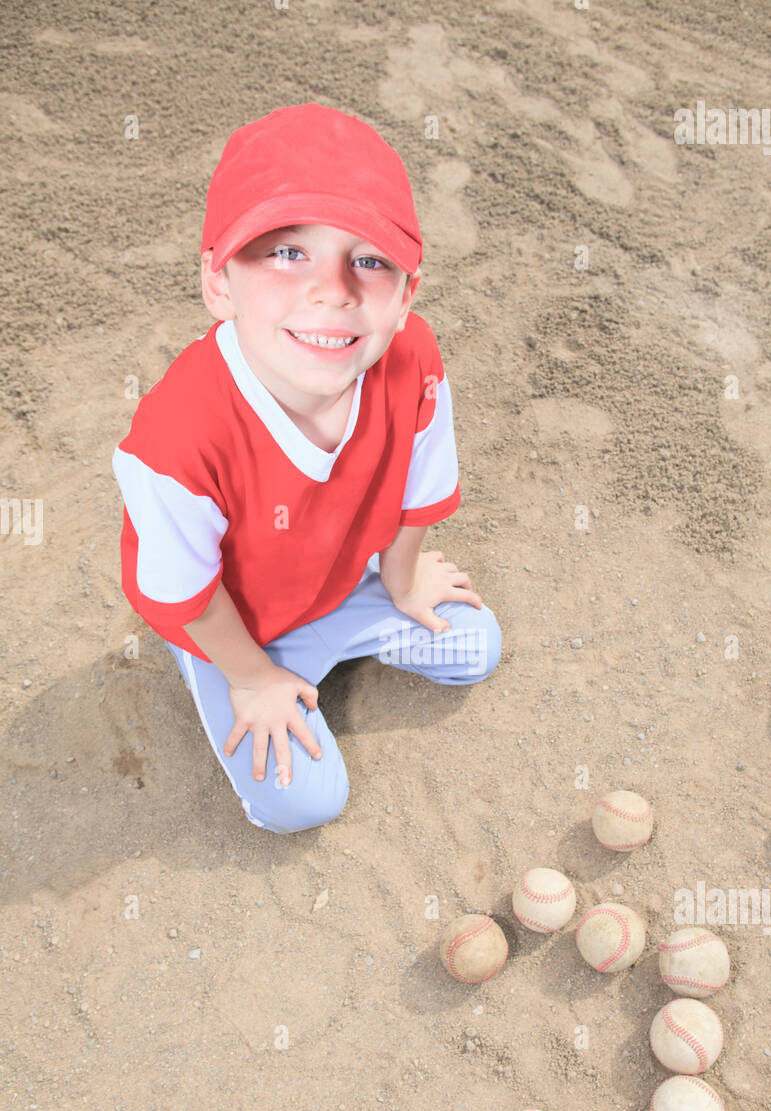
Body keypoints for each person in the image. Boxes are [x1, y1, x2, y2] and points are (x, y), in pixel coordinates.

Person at [111, 103, 502, 834]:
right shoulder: (175, 437)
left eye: (369, 261)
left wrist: (402, 578)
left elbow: (421, 487)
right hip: (233, 621)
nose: (333, 289)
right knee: (306, 802)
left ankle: (323, 646)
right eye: (288, 252)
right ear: (219, 281)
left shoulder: (412, 356)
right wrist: (254, 678)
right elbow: (186, 594)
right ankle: (248, 672)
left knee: (476, 646)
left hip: (337, 582)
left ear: (407, 296)